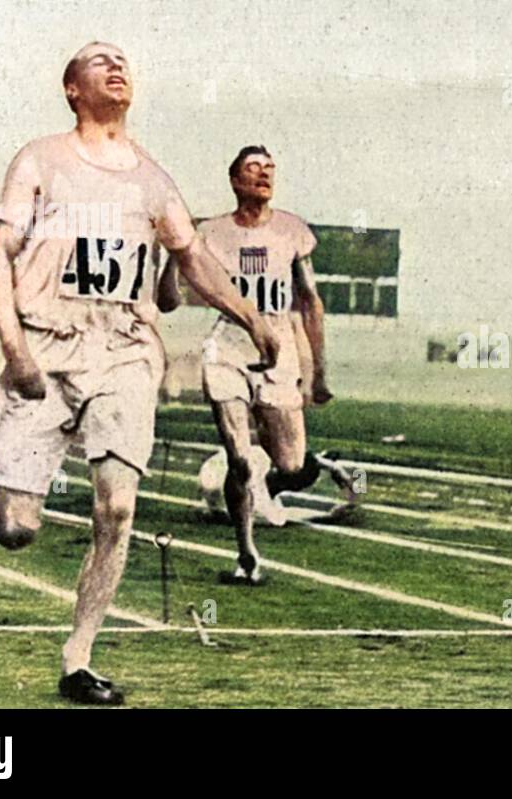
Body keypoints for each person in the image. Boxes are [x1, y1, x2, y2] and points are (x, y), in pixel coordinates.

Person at [0, 42, 280, 705]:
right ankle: (14, 481)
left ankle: (77, 659)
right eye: (98, 61)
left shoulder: (152, 179)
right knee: (16, 529)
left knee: (116, 507)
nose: (116, 68)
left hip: (122, 348)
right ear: (70, 87)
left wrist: (249, 314)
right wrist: (15, 349)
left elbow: (193, 257)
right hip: (45, 344)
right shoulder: (40, 160)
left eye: (123, 61)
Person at [170, 145, 358, 585]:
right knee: (239, 459)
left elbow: (310, 302)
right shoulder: (212, 232)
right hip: (229, 346)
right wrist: (172, 254)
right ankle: (247, 554)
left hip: (279, 346)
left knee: (291, 465)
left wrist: (320, 374)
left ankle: (282, 462)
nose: (263, 175)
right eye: (253, 168)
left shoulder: (292, 231)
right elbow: (176, 287)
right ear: (235, 181)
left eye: (270, 168)